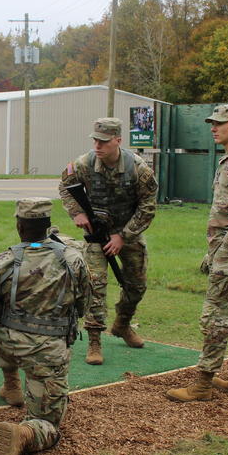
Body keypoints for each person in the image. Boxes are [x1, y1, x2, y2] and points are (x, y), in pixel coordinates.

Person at [0, 198, 91, 455]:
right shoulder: (72, 259)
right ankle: (27, 433)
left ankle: (11, 384)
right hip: (47, 351)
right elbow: (83, 305)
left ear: (19, 226)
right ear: (47, 227)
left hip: (7, 343)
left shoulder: (2, 262)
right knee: (49, 423)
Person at [166, 104, 228, 405]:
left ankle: (203, 383)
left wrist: (225, 248)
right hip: (227, 250)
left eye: (220, 123)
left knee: (215, 317)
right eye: (212, 122)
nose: (214, 127)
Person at [58, 117, 157, 365]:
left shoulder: (139, 169)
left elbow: (147, 209)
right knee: (95, 284)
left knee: (136, 285)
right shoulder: (83, 164)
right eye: (95, 140)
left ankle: (122, 324)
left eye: (103, 141)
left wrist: (122, 237)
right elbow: (65, 187)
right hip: (96, 235)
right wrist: (77, 213)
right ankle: (94, 339)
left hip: (128, 233)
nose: (97, 146)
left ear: (118, 141)